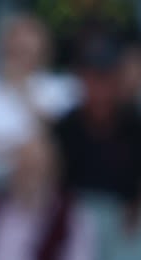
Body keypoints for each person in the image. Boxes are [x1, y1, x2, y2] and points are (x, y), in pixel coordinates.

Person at [0, 14, 78, 163]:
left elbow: (58, 140)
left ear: (43, 52)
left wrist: (22, 91)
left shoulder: (62, 88)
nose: (19, 59)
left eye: (25, 51)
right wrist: (12, 148)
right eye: (14, 51)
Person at [52, 36, 141, 221]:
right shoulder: (65, 128)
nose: (100, 88)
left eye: (105, 78)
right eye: (92, 78)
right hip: (71, 220)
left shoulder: (134, 126)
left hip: (124, 223)